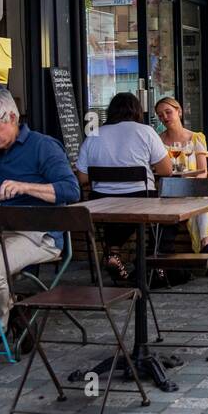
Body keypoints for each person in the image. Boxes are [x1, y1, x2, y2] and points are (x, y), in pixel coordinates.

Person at [0, 88, 80, 345]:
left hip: (40, 232)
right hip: (1, 230)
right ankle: (11, 309)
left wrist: (26, 186)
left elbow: (71, 190)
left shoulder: (43, 146)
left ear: (12, 117)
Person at [75, 92, 173, 283]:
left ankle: (113, 252)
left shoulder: (94, 135)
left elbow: (82, 177)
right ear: (137, 111)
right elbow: (167, 170)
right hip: (141, 200)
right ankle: (153, 261)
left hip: (102, 203)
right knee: (158, 215)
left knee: (116, 210)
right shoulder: (145, 131)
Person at [155, 96, 208, 270]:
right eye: (160, 115)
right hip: (170, 193)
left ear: (179, 112)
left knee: (205, 199)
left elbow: (202, 171)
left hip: (194, 188)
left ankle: (207, 250)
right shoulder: (158, 141)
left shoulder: (196, 138)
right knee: (204, 200)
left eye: (168, 112)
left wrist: (190, 186)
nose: (165, 117)